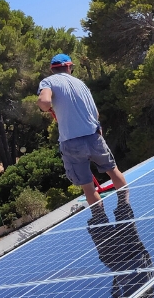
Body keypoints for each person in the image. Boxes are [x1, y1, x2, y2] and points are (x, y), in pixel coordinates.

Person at [37, 53, 127, 204]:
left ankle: (100, 219)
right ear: (69, 67)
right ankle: (126, 206)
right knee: (113, 171)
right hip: (93, 136)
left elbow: (44, 102)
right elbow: (96, 113)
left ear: (53, 70)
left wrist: (45, 106)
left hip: (72, 142)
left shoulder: (48, 82)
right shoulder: (81, 84)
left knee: (88, 188)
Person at [87, 189, 154, 298]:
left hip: (131, 247)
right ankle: (85, 180)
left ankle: (109, 170)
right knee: (97, 213)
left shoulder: (150, 278)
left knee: (123, 201)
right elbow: (116, 297)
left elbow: (146, 255)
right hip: (112, 257)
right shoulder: (127, 294)